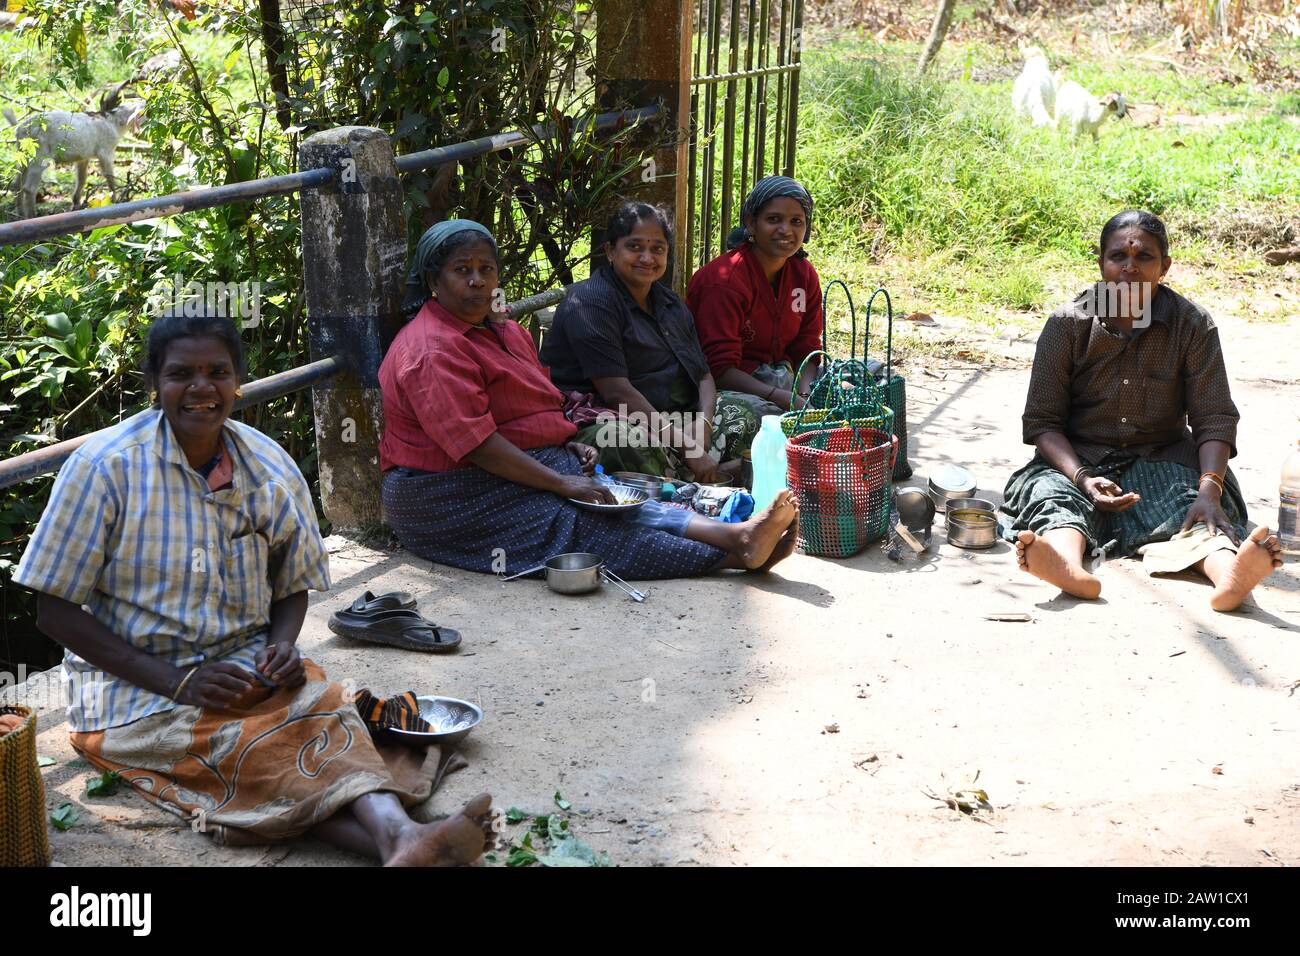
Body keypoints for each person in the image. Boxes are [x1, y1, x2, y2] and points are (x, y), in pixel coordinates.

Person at [13, 313, 493, 865]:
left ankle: (400, 842)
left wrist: (284, 646)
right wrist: (179, 683)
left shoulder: (267, 464)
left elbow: (292, 586)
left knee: (326, 708)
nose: (200, 388)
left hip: (245, 669)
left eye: (217, 371)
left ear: (237, 379)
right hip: (132, 694)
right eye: (180, 374)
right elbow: (53, 611)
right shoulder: (103, 469)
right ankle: (403, 838)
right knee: (253, 748)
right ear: (154, 383)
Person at [379, 219, 800, 579]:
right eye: (461, 271)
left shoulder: (504, 330)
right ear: (434, 281)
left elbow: (538, 405)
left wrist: (565, 445)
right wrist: (560, 480)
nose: (477, 281)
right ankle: (731, 553)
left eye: (485, 269)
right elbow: (478, 445)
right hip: (447, 494)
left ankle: (733, 536)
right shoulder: (432, 351)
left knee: (612, 497)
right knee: (578, 525)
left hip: (522, 465)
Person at [1001, 210, 1284, 609]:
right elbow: (1043, 422)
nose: (1130, 268)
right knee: (1055, 500)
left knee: (1195, 512)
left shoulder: (1192, 324)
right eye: (1118, 257)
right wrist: (1082, 478)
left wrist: (1210, 489)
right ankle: (1066, 564)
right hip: (1079, 460)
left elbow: (1214, 417)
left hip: (1162, 457)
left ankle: (1229, 575)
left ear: (1164, 266)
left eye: (1144, 257)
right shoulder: (1067, 324)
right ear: (1101, 264)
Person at [542, 202, 759, 481]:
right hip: (606, 416)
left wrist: (701, 426)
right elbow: (617, 393)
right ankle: (695, 481)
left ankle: (693, 476)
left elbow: (703, 376)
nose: (647, 258)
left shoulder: (668, 303)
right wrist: (686, 444)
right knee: (622, 442)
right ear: (610, 251)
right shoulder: (590, 302)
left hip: (671, 416)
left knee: (748, 414)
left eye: (657, 249)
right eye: (635, 247)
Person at [686, 175, 824, 425]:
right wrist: (782, 398)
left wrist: (803, 395)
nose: (786, 230)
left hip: (785, 380)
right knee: (768, 420)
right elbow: (719, 369)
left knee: (860, 391)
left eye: (796, 221)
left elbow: (807, 349)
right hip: (728, 388)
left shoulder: (803, 275)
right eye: (773, 219)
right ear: (751, 223)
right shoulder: (724, 281)